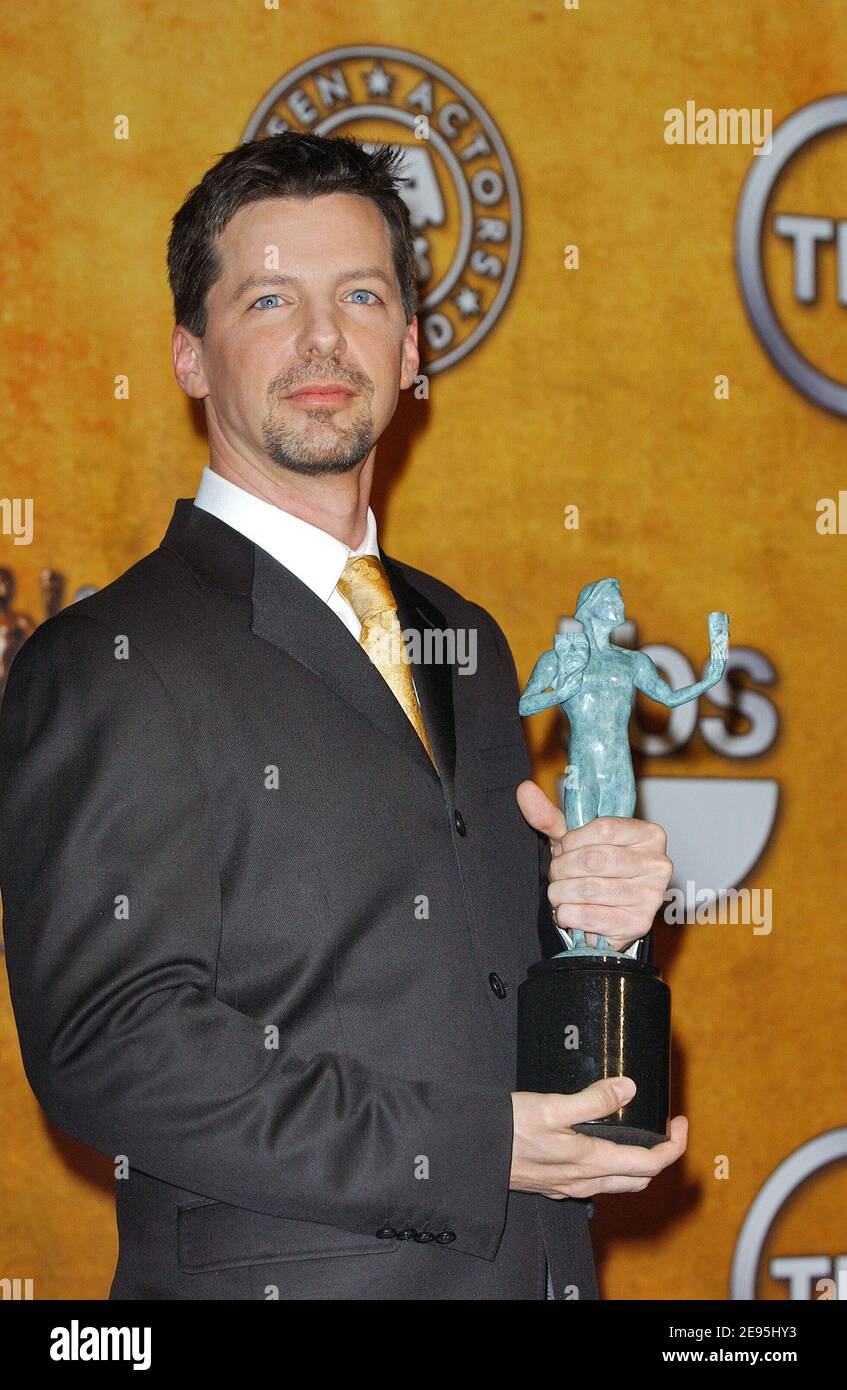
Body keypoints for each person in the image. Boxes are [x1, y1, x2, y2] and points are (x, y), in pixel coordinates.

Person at [0, 132, 686, 1301]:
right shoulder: (108, 659)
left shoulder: (461, 636)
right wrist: (473, 1151)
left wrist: (596, 930)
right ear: (189, 356)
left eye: (360, 295)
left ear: (411, 345)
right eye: (270, 297)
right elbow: (113, 1045)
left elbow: (460, 985)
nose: (323, 338)